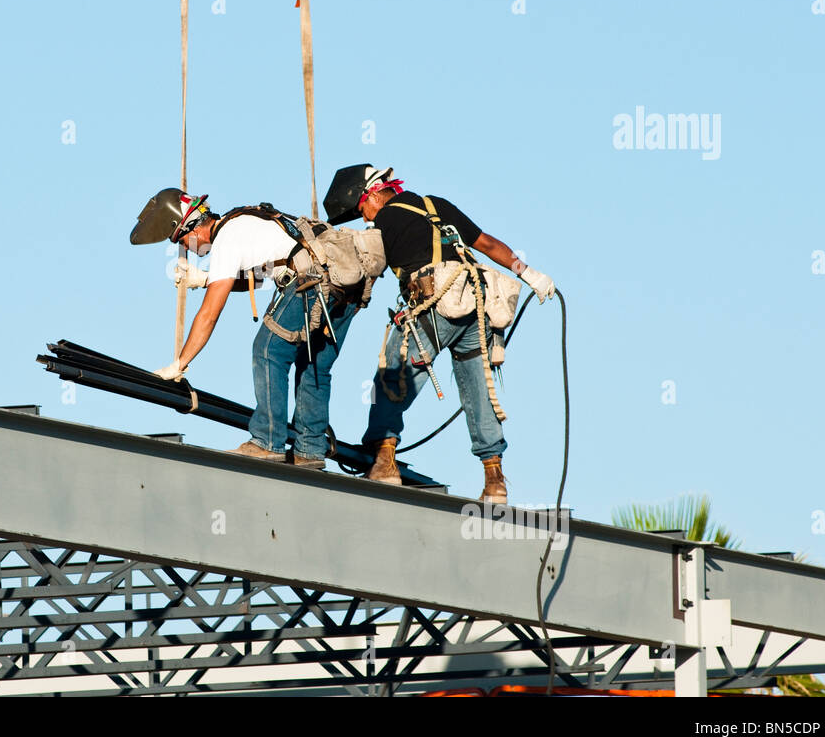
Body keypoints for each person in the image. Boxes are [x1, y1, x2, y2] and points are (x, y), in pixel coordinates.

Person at [323, 165, 555, 501]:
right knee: (479, 388)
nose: (364, 219)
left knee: (394, 372)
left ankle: (385, 460)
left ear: (372, 196)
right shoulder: (436, 206)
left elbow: (359, 271)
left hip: (434, 303)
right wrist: (529, 273)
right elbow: (487, 243)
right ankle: (495, 480)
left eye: (362, 210)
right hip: (476, 307)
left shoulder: (383, 223)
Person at [130, 188, 368, 469]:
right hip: (344, 287)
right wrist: (206, 278)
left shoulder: (226, 240)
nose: (187, 250)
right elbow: (255, 278)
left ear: (192, 228)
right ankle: (310, 449)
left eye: (181, 241)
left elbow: (209, 313)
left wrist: (180, 363)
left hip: (314, 283)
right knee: (312, 363)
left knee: (268, 350)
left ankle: (267, 442)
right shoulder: (242, 222)